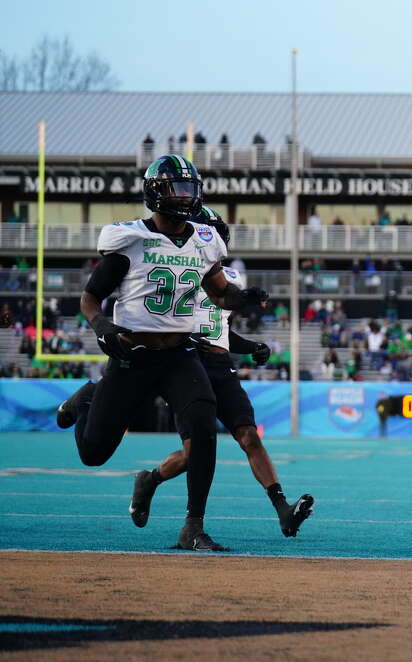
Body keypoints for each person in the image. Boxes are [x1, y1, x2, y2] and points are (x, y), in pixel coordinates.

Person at [54, 155, 268, 551]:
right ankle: (87, 399)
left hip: (180, 353)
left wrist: (245, 297)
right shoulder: (130, 238)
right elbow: (90, 297)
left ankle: (193, 527)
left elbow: (219, 291)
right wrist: (102, 325)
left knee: (204, 429)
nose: (185, 197)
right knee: (93, 452)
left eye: (189, 189)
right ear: (156, 192)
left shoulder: (206, 240)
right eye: (177, 188)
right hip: (133, 355)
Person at [117, 208, 315, 538]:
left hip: (221, 366)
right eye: (210, 232)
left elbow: (221, 330)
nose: (216, 239)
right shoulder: (178, 268)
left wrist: (251, 346)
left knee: (249, 436)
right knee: (196, 451)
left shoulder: (230, 281)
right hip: (187, 365)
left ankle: (283, 509)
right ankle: (150, 479)